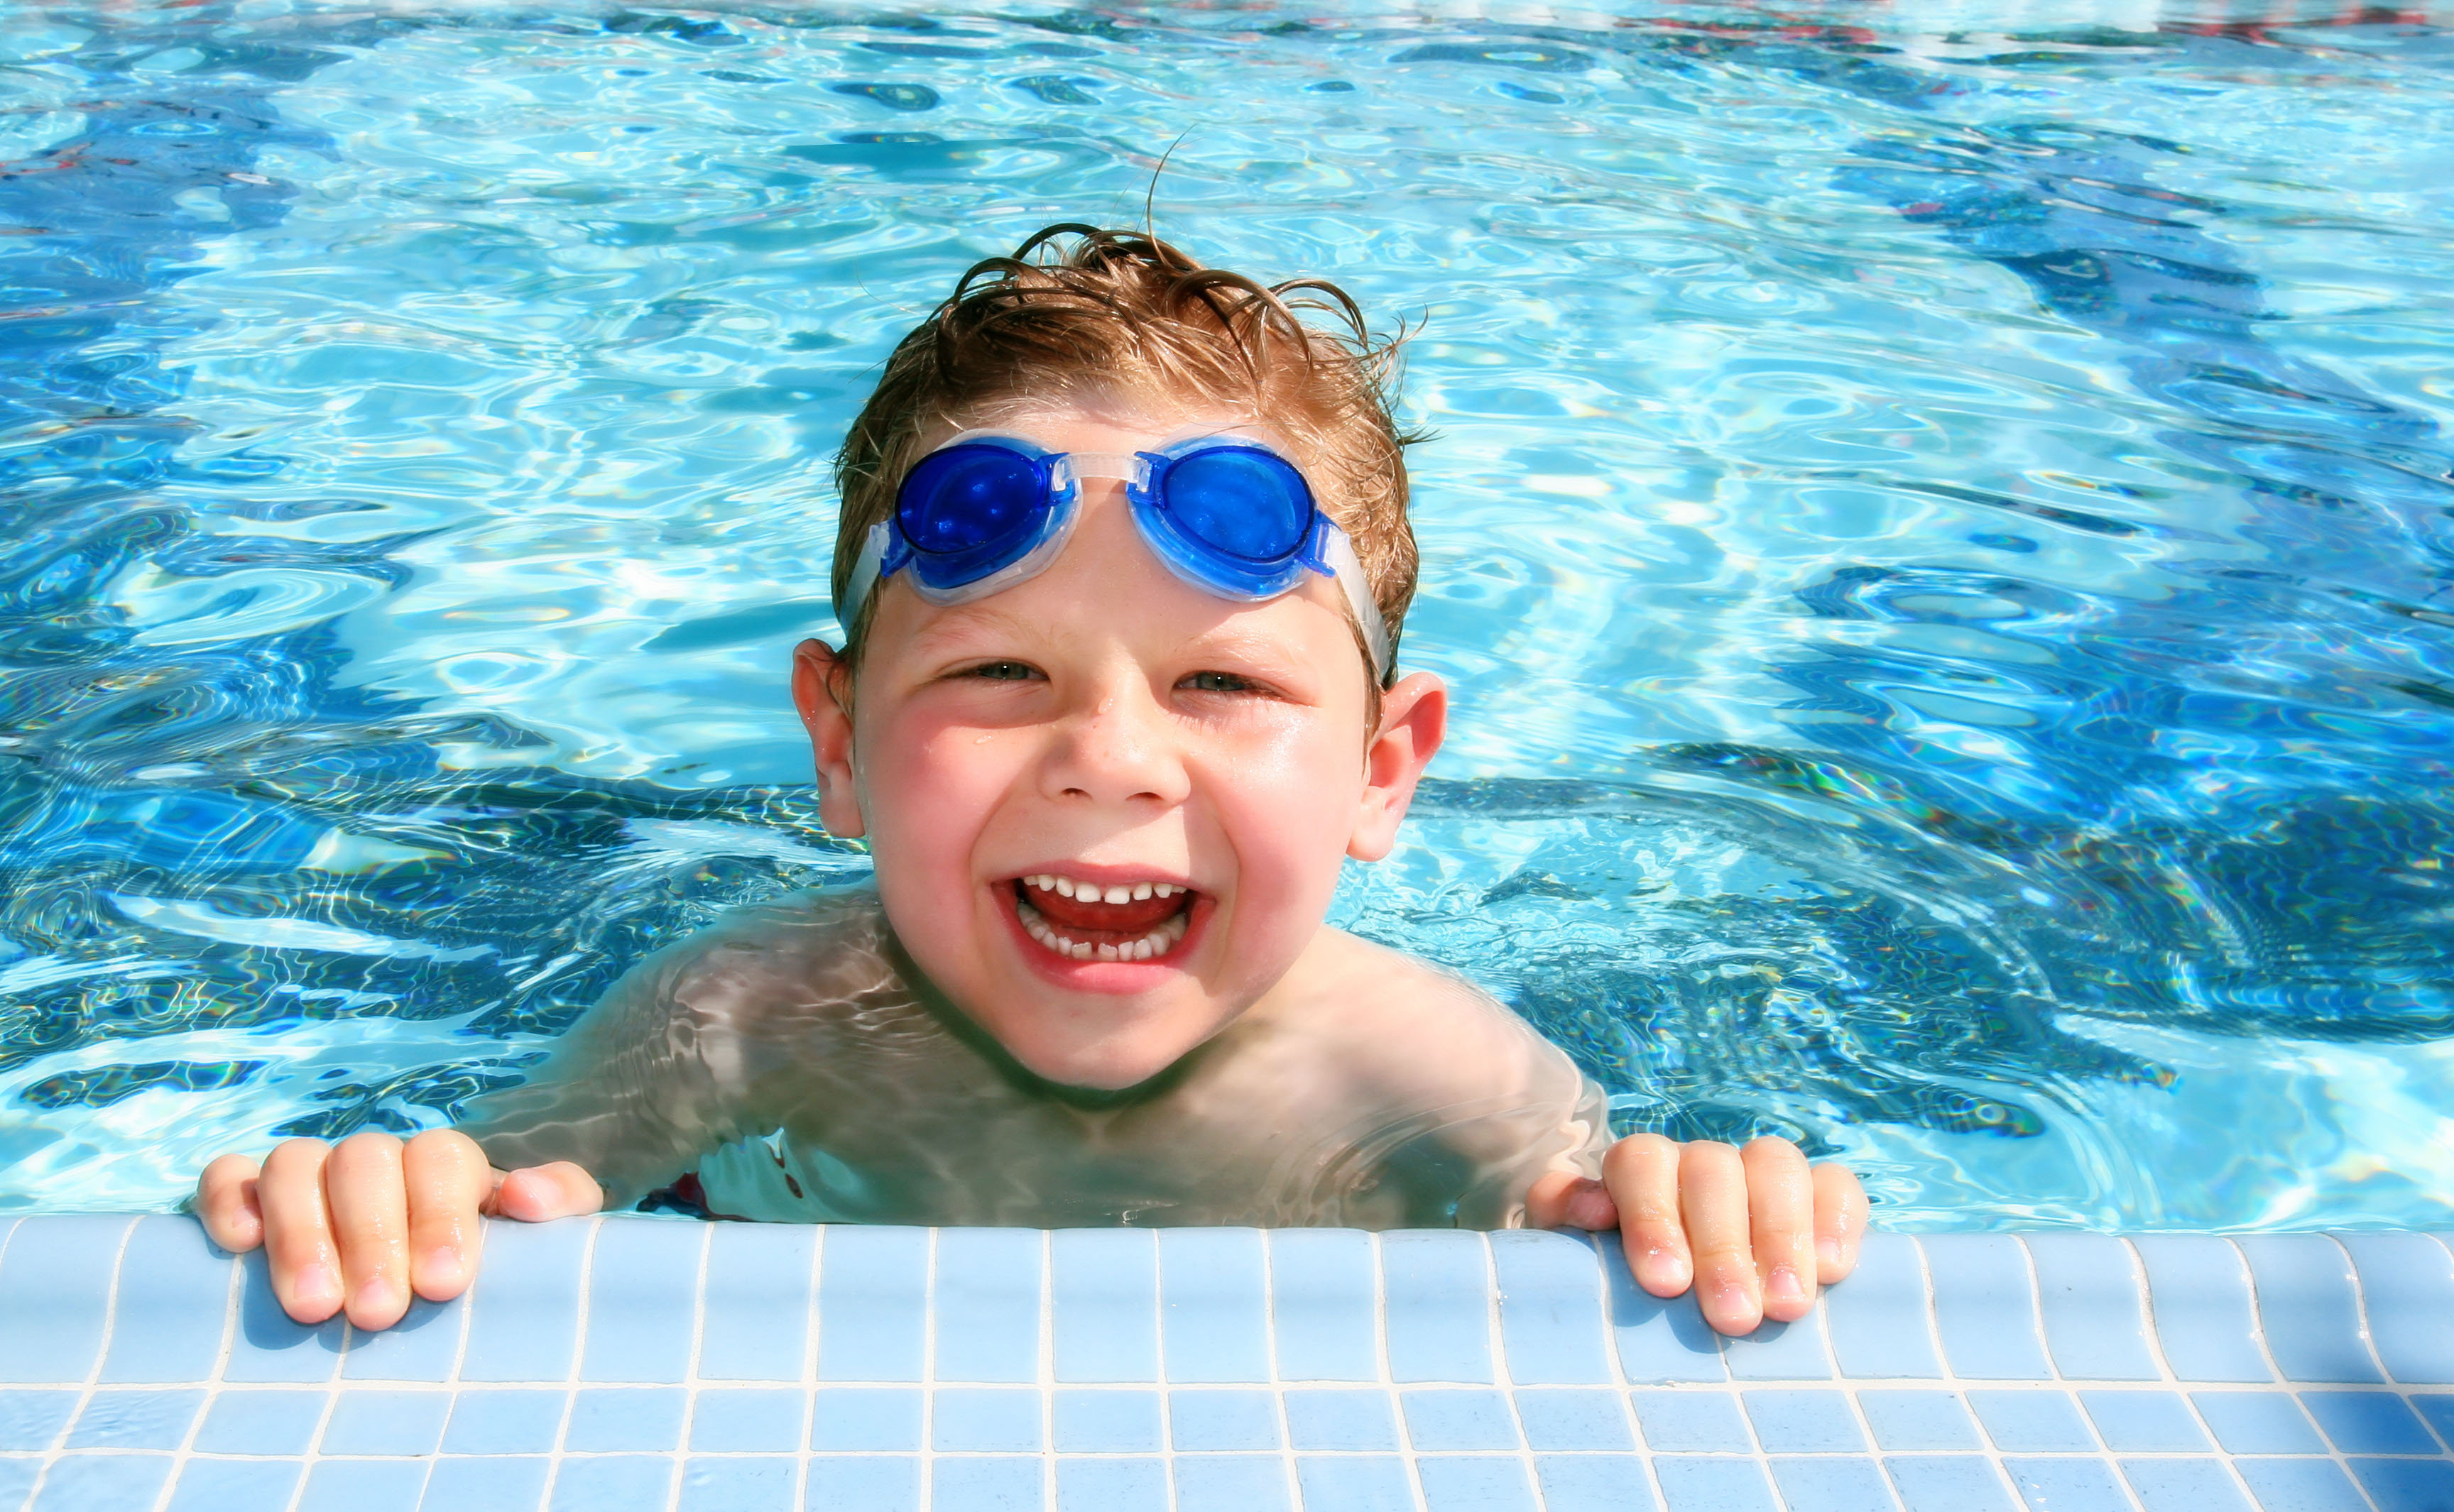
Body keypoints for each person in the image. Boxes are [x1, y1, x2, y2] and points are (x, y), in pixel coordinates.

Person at [195, 224, 1867, 1339]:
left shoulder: (1428, 1071)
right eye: (1001, 674)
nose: (1111, 763)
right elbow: (498, 1199)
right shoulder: (742, 1015)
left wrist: (1701, 1204)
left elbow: (1598, 1250)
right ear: (840, 742)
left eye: (1222, 682)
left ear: (1381, 769)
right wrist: (387, 1195)